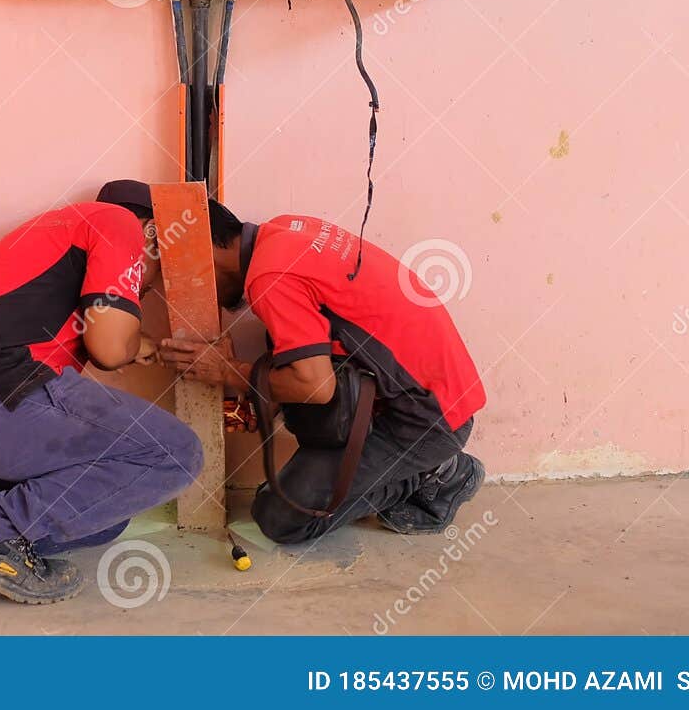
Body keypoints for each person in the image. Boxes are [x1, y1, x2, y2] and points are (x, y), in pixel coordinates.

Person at [0, 181, 203, 604]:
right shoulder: (118, 224)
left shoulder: (54, 236)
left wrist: (139, 344)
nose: (145, 288)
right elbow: (110, 348)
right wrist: (133, 342)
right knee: (174, 453)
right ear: (152, 230)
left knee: (105, 514)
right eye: (151, 277)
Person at [161, 201, 486, 544]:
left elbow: (315, 386)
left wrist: (230, 371)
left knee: (281, 517)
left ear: (208, 250)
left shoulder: (269, 276)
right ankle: (368, 467)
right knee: (282, 351)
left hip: (427, 420)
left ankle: (436, 473)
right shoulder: (282, 231)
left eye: (187, 274)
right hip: (416, 397)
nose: (195, 291)